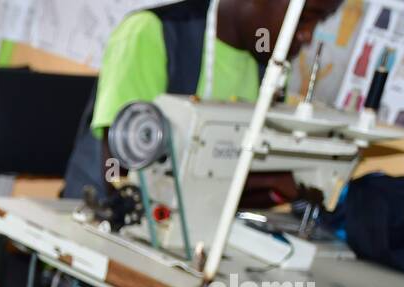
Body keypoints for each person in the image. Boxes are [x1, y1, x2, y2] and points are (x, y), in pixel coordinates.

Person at [63, 0, 343, 199]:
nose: (307, 35)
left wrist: (286, 186)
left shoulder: (267, 63)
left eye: (321, 21)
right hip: (98, 238)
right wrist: (270, 182)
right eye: (305, 16)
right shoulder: (150, 32)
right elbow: (121, 179)